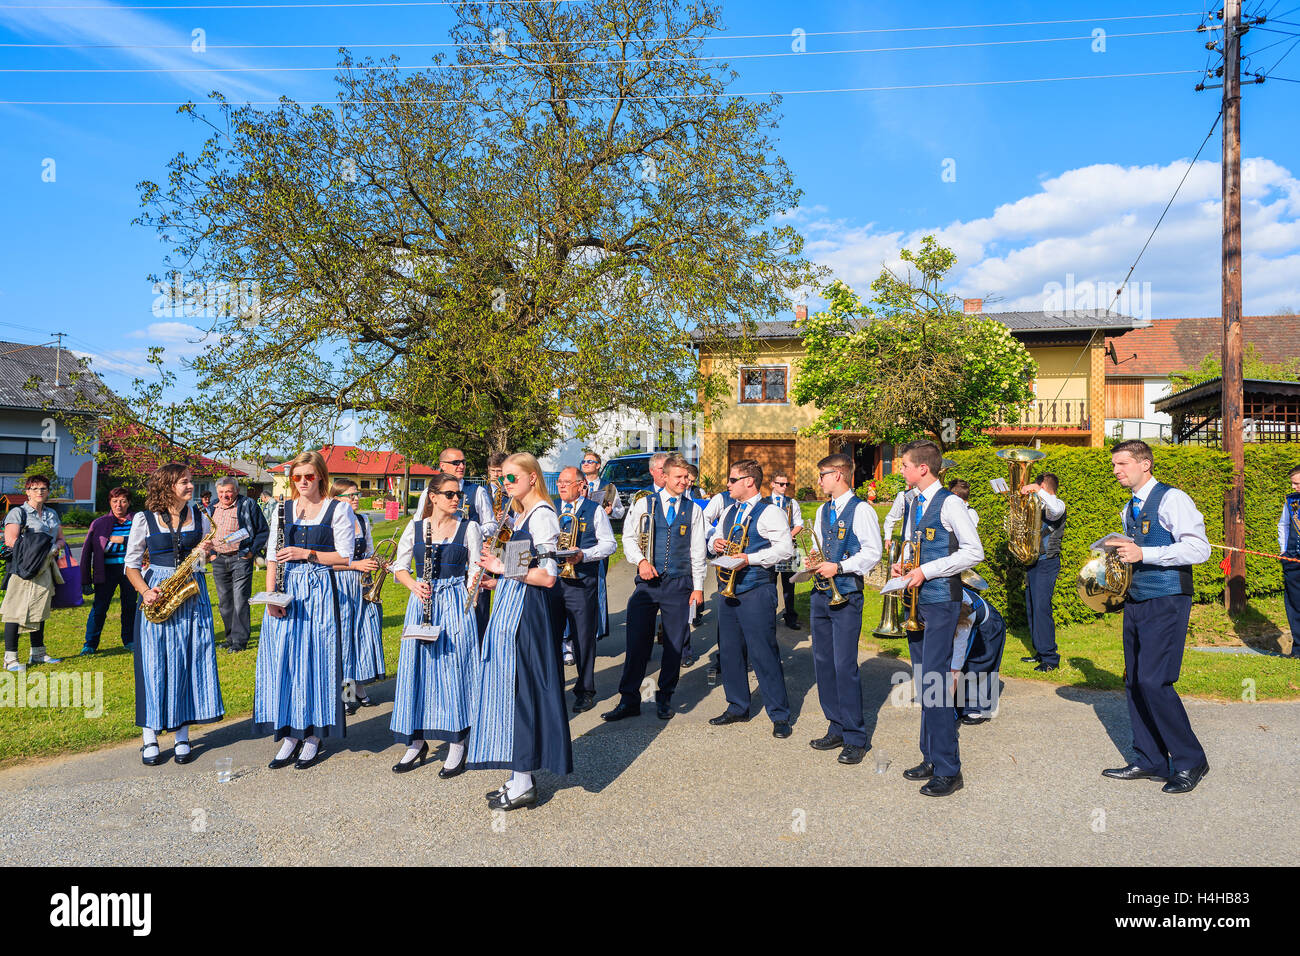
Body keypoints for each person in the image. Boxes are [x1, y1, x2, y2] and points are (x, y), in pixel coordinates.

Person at [1101, 439, 1211, 794]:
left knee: (1154, 681)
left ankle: (1190, 760)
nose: (1116, 471)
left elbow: (1199, 548)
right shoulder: (1128, 508)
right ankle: (1149, 758)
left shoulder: (1173, 498)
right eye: (1115, 465)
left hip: (1167, 599)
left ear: (1145, 464)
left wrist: (1143, 553)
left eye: (1123, 464)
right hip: (1135, 600)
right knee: (1134, 680)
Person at [469, 453, 572, 811]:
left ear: (532, 477)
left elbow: (546, 576)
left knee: (523, 692)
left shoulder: (543, 515)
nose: (505, 484)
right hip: (514, 604)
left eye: (512, 478)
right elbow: (520, 569)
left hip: (529, 615)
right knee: (512, 692)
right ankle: (518, 775)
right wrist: (496, 579)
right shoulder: (521, 514)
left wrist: (501, 566)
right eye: (502, 479)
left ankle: (525, 781)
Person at [891, 438, 984, 797]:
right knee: (924, 681)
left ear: (922, 469)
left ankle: (949, 769)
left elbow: (973, 552)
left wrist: (927, 571)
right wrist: (905, 566)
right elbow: (919, 546)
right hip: (916, 600)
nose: (901, 471)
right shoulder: (914, 502)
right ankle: (930, 756)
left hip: (942, 600)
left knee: (936, 684)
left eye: (904, 465)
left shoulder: (950, 504)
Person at [254, 450, 355, 770]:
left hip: (319, 590)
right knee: (286, 661)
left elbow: (344, 557)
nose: (302, 482)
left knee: (317, 661)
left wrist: (307, 553)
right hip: (286, 590)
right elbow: (271, 556)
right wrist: (272, 596)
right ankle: (290, 734)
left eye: (308, 476)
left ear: (321, 477)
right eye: (296, 477)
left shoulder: (337, 510)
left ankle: (313, 735)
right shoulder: (282, 509)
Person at [124, 464, 225, 766]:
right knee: (154, 665)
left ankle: (182, 734)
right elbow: (130, 565)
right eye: (184, 482)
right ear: (167, 486)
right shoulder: (144, 519)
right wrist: (145, 591)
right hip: (157, 592)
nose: (190, 486)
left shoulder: (199, 516)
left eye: (190, 481)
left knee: (187, 662)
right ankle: (149, 736)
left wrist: (207, 550)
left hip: (192, 591)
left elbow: (208, 555)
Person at [388, 473, 482, 776]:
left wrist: (468, 608)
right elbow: (399, 567)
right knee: (417, 670)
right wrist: (414, 587)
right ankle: (415, 742)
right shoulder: (415, 528)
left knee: (453, 671)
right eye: (450, 494)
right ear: (433, 497)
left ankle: (457, 741)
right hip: (422, 602)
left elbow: (476, 571)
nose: (456, 499)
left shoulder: (469, 528)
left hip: (454, 603)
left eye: (458, 495)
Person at [603, 454, 705, 723]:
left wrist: (698, 587)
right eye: (679, 478)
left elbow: (697, 551)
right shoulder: (644, 503)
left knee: (673, 645)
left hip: (679, 583)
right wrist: (642, 561)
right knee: (637, 641)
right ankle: (629, 699)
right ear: (666, 477)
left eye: (686, 478)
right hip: (647, 584)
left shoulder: (694, 510)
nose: (684, 482)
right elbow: (629, 537)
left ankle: (665, 697)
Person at [707, 458, 795, 737]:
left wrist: (750, 559)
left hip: (757, 589)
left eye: (732, 480)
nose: (728, 484)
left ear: (748, 481)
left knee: (763, 652)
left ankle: (779, 714)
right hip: (728, 589)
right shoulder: (729, 510)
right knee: (730, 652)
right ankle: (737, 706)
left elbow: (786, 551)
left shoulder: (771, 512)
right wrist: (715, 544)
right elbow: (715, 539)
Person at [807, 454, 881, 764]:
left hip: (846, 594)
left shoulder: (861, 509)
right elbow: (819, 546)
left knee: (844, 665)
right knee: (823, 663)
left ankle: (855, 736)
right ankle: (835, 725)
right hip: (821, 594)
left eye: (822, 474)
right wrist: (813, 559)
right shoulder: (824, 509)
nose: (819, 479)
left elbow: (872, 553)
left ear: (838, 475)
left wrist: (839, 566)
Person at [553, 467, 616, 711]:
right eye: (559, 482)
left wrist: (584, 555)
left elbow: (609, 544)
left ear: (581, 486)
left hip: (581, 581)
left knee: (583, 637)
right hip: (553, 581)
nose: (561, 486)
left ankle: (585, 689)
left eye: (567, 482)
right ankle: (555, 689)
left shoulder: (594, 510)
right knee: (552, 636)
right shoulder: (551, 508)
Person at [415, 448, 497, 635]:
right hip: (441, 566)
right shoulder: (429, 492)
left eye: (463, 462)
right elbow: (419, 523)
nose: (461, 466)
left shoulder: (478, 491)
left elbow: (491, 524)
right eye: (456, 463)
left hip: (472, 563)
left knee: (476, 620)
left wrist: (469, 532)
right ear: (442, 466)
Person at [2, 474, 66, 672]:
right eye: (35, 488)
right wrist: (37, 549)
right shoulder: (18, 513)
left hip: (45, 568)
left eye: (43, 489)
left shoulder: (52, 514)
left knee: (40, 609)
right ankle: (10, 658)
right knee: (15, 611)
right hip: (24, 569)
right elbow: (11, 540)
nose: (40, 492)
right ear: (27, 491)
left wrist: (55, 547)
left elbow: (61, 538)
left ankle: (37, 653)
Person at [333, 479, 386, 712]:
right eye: (350, 496)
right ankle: (346, 694)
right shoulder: (331, 523)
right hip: (341, 584)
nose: (355, 499)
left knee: (362, 636)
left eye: (356, 495)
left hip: (361, 584)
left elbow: (369, 552)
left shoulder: (363, 520)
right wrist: (357, 565)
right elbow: (327, 564)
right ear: (337, 499)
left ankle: (360, 687)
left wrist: (382, 564)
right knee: (345, 639)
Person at [207, 476, 270, 654]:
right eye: (221, 492)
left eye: (228, 491)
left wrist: (251, 552)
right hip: (218, 559)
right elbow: (207, 532)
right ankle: (229, 638)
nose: (224, 495)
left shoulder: (247, 504)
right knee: (224, 602)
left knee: (240, 600)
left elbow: (263, 530)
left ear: (236, 491)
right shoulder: (212, 507)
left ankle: (240, 640)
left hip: (240, 558)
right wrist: (211, 554)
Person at [1013, 472, 1067, 672]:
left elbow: (1053, 509)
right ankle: (1040, 651)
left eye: (1036, 486)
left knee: (1042, 609)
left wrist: (1037, 491)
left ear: (1043, 486)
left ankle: (1051, 659)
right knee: (1032, 608)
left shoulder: (1057, 505)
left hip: (1047, 563)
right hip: (1033, 561)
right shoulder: (1038, 505)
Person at [79, 487, 137, 655]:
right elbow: (86, 552)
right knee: (99, 607)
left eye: (123, 501)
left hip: (131, 570)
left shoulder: (137, 520)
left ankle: (130, 640)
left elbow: (145, 541)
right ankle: (90, 644)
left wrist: (122, 540)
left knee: (129, 607)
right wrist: (85, 580)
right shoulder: (99, 523)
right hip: (106, 571)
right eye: (115, 501)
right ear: (110, 503)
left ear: (129, 503)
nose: (119, 505)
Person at [952, 583, 1006, 725]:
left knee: (979, 664)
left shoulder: (964, 611)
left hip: (990, 625)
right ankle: (959, 702)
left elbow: (957, 657)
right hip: (969, 620)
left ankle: (977, 708)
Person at [766, 471, 804, 630]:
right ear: (772, 484)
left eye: (786, 484)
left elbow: (799, 524)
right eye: (780, 484)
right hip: (769, 548)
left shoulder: (791, 502)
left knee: (789, 584)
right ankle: (769, 616)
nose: (784, 487)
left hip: (788, 548)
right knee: (769, 583)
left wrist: (786, 536)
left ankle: (790, 616)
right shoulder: (763, 502)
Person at [1279, 465, 1300, 658]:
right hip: (1293, 559)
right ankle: (1298, 650)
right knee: (1295, 605)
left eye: (1297, 483)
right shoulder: (1291, 501)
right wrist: (1284, 552)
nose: (1294, 487)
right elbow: (1283, 526)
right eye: (1293, 483)